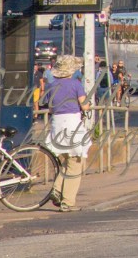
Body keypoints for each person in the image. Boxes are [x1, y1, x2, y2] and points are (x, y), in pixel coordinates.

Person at [41, 55, 93, 211]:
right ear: (71, 71)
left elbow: (50, 108)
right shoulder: (75, 84)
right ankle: (67, 202)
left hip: (57, 124)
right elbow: (85, 106)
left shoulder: (51, 85)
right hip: (72, 124)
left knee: (65, 160)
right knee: (76, 163)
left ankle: (57, 189)